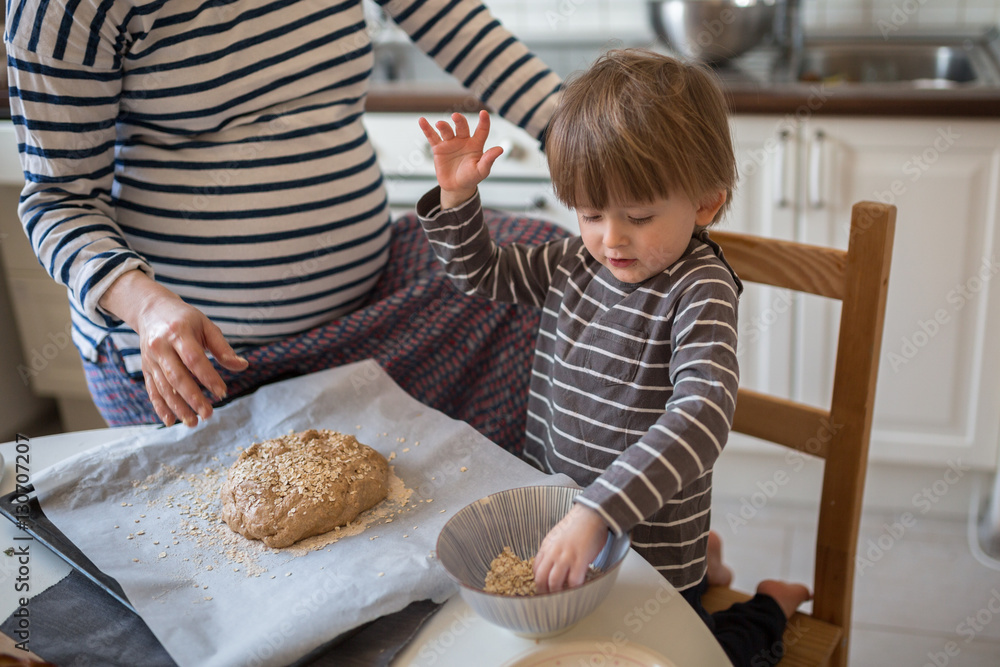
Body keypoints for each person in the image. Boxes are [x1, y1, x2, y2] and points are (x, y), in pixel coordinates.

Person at [4, 0, 567, 454]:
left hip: (365, 317)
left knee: (546, 267)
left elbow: (461, 26)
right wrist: (146, 307)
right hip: (207, 368)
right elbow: (57, 201)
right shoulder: (59, 10)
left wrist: (590, 136)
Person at [416, 49, 810, 666]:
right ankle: (711, 559)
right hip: (565, 520)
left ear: (705, 204)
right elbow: (482, 276)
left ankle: (768, 606)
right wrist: (457, 199)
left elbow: (704, 413)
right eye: (591, 213)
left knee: (688, 655)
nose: (612, 239)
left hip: (647, 542)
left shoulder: (697, 287)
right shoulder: (576, 260)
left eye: (640, 215)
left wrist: (600, 510)